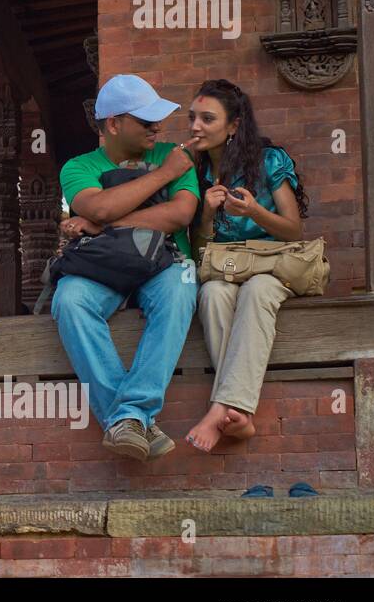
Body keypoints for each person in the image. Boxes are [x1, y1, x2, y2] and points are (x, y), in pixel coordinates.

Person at [53, 74, 201, 461]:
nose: (156, 127)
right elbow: (98, 206)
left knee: (183, 286)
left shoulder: (175, 152)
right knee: (69, 299)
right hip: (107, 265)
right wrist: (164, 175)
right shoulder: (78, 167)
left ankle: (128, 416)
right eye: (144, 119)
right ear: (114, 124)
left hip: (166, 261)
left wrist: (102, 220)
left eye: (156, 118)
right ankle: (133, 420)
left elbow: (180, 214)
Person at [185, 79, 308, 452]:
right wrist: (206, 214)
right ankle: (241, 418)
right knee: (212, 294)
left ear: (233, 126)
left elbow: (293, 230)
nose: (195, 126)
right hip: (225, 270)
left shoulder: (268, 161)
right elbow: (198, 253)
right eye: (192, 117)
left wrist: (254, 210)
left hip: (272, 267)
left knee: (256, 291)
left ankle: (220, 407)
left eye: (207, 119)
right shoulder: (195, 170)